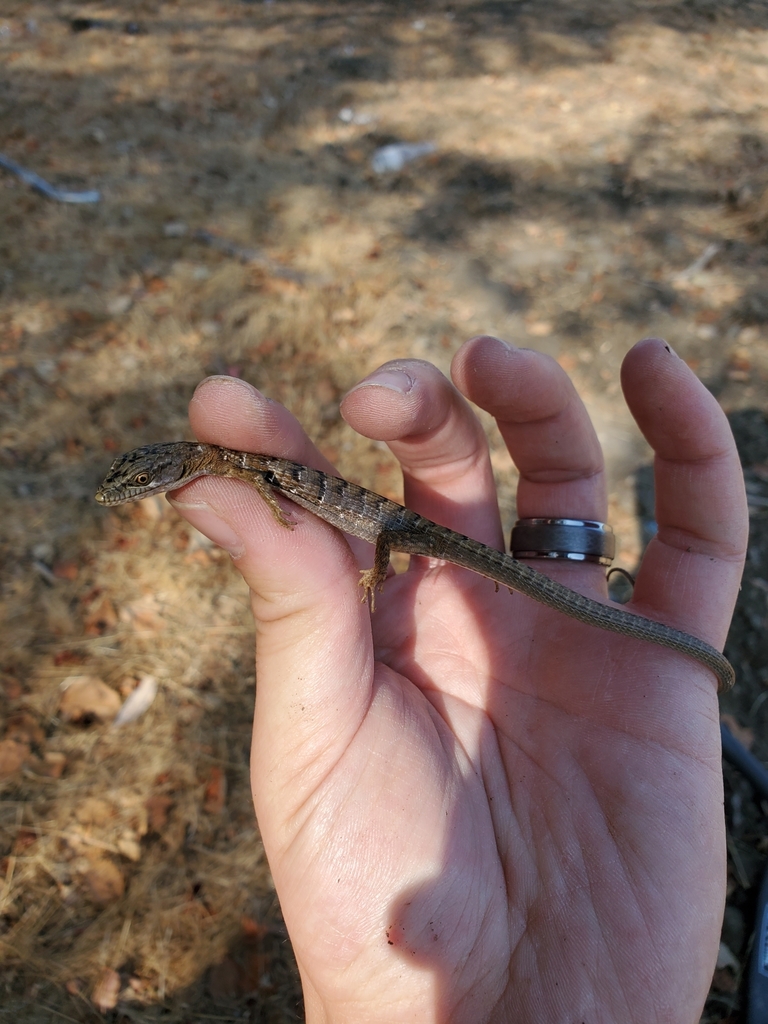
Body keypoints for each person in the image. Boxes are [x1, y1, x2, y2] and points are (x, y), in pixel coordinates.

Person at [169, 335, 747, 1023]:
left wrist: (374, 568)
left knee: (448, 550)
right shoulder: (242, 470)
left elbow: (280, 496)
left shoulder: (250, 472)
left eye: (140, 481)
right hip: (394, 526)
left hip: (396, 530)